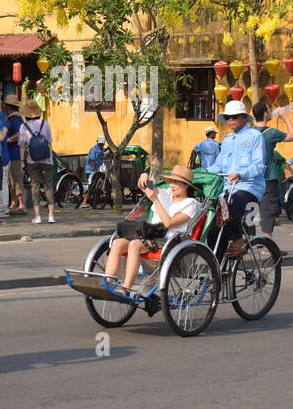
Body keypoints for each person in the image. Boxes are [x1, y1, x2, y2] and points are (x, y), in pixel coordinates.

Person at [102, 165, 200, 309]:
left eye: (176, 182)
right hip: (148, 235)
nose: (171, 185)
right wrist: (144, 175)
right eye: (171, 182)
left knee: (134, 245)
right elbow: (148, 188)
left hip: (169, 241)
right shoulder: (166, 193)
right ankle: (107, 283)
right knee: (117, 243)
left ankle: (126, 288)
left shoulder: (191, 204)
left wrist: (156, 201)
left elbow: (168, 223)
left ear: (186, 185)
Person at [206, 100, 265, 258]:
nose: (230, 120)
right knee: (212, 225)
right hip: (227, 189)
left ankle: (238, 240)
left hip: (249, 188)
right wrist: (199, 173)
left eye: (235, 116)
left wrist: (241, 174)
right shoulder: (226, 140)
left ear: (244, 117)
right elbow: (218, 166)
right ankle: (216, 270)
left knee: (229, 203)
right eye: (228, 117)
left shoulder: (255, 136)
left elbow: (259, 165)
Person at [252, 101, 293, 239]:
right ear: (265, 113)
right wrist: (285, 117)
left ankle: (245, 243)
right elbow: (292, 136)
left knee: (249, 208)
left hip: (251, 176)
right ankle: (267, 245)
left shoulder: (249, 132)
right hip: (267, 177)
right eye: (269, 109)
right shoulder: (271, 133)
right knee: (268, 210)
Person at [19, 100, 55, 223]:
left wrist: (22, 162)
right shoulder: (45, 124)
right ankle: (51, 216)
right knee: (48, 186)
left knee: (35, 186)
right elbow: (50, 142)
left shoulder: (23, 127)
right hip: (47, 160)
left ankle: (37, 216)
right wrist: (50, 158)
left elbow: (22, 146)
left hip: (32, 160)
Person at [3, 95, 26, 215]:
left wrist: (8, 140)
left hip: (15, 153)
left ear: (8, 107)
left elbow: (19, 134)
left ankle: (21, 204)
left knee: (16, 180)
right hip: (12, 153)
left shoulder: (15, 120)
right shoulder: (14, 118)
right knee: (13, 180)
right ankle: (13, 203)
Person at [79, 135, 108, 209]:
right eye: (100, 144)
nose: (101, 145)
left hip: (96, 171)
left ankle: (94, 202)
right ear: (97, 142)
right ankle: (84, 202)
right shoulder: (93, 150)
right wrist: (96, 172)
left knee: (97, 187)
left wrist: (108, 149)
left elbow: (103, 152)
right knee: (91, 187)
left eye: (102, 144)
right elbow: (92, 161)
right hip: (91, 171)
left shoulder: (101, 149)